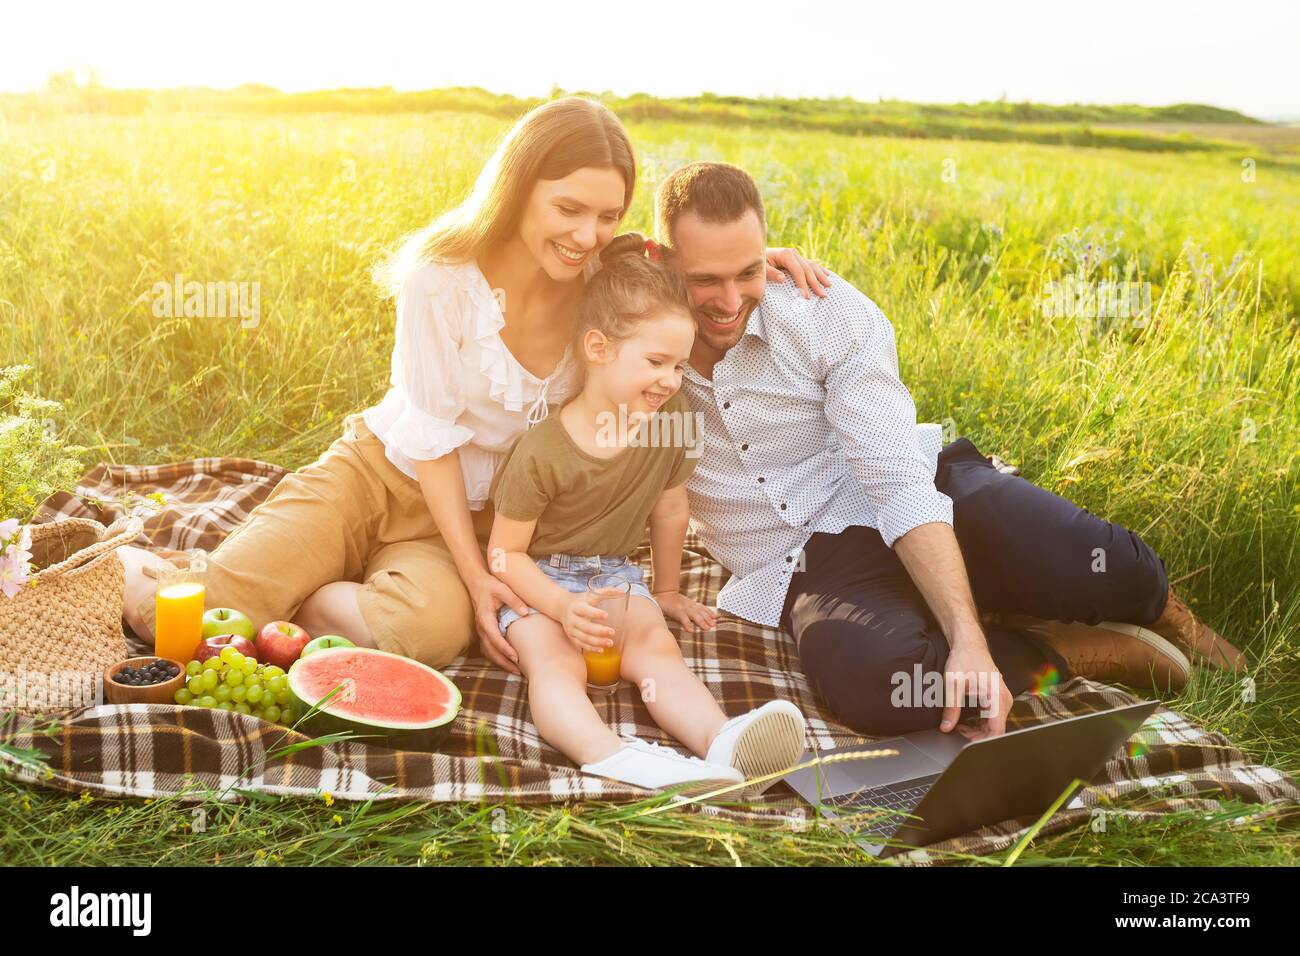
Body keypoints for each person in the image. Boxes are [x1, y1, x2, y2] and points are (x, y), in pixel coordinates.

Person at [119, 98, 829, 673]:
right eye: (568, 209)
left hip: (475, 519)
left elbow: (683, 284)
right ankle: (155, 568)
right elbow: (428, 441)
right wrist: (478, 572)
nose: (586, 234)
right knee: (178, 620)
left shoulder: (605, 287)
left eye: (607, 216)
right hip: (378, 478)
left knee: (427, 636)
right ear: (520, 189)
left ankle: (312, 587)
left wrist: (755, 262)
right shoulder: (441, 278)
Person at [652, 161, 1250, 740]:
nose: (730, 301)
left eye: (747, 271)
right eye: (706, 278)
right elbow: (567, 273)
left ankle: (1171, 617)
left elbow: (897, 482)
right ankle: (1073, 649)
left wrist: (966, 638)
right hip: (801, 557)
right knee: (881, 685)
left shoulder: (824, 311)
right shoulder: (636, 333)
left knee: (1098, 560)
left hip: (909, 486)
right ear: (661, 260)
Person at [486, 235, 807, 795]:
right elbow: (504, 554)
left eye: (680, 365)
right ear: (598, 347)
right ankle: (610, 755)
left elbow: (670, 504)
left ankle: (723, 743)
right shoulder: (542, 451)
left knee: (656, 649)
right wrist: (562, 607)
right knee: (555, 663)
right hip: (540, 584)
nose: (670, 380)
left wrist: (664, 589)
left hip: (614, 575)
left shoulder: (672, 417)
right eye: (656, 362)